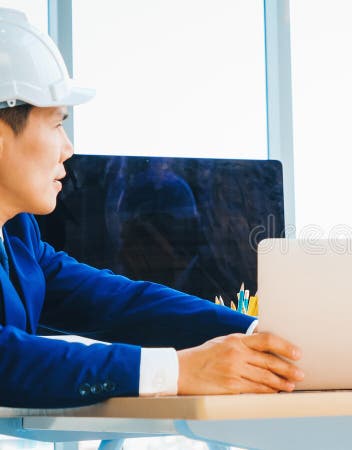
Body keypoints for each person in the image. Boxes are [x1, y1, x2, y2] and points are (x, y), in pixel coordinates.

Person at [0, 8, 303, 408]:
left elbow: (119, 304)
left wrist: (259, 334)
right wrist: (179, 371)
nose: (68, 149)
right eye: (57, 123)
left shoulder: (18, 234)